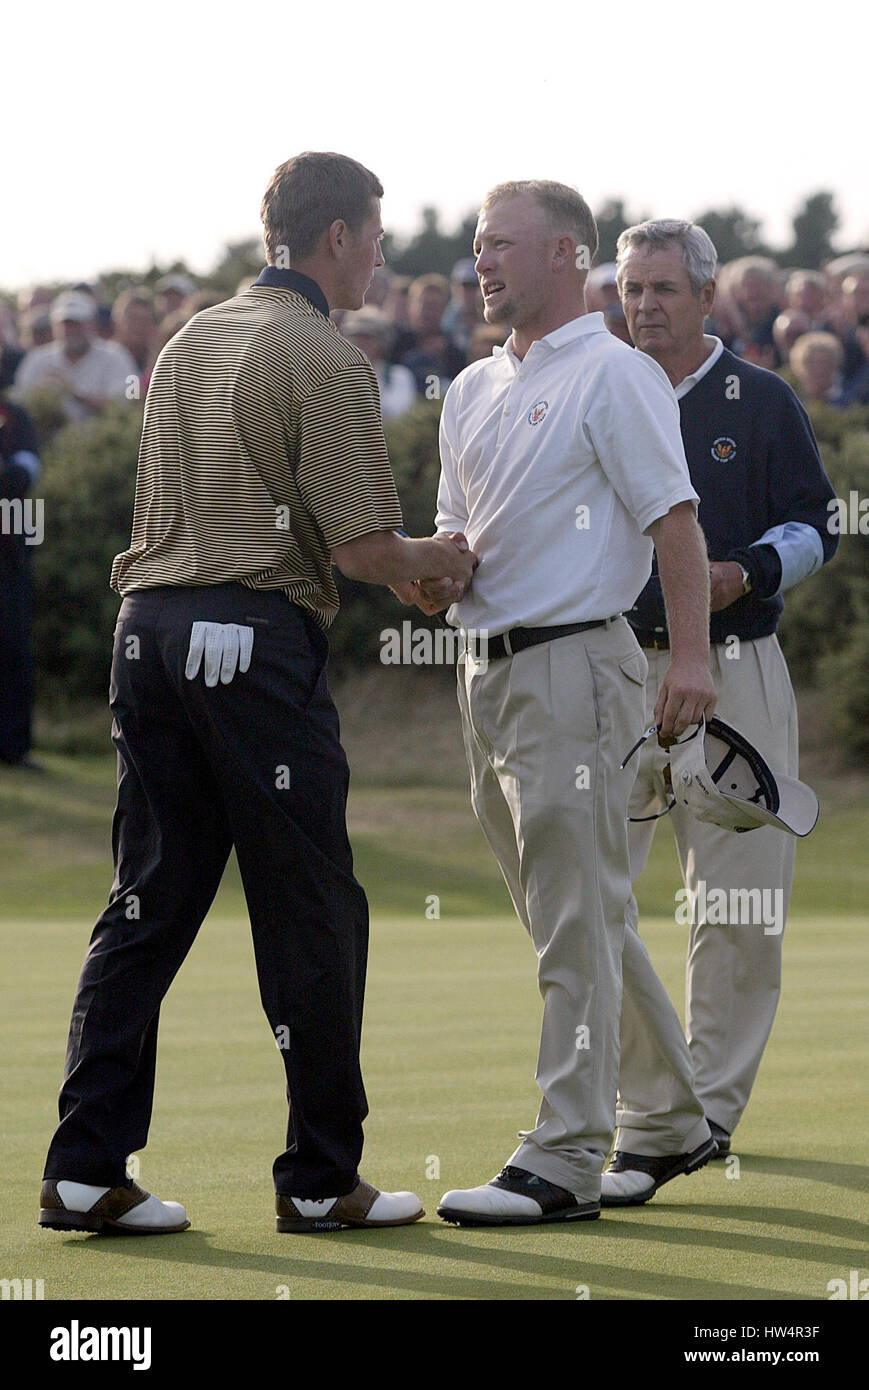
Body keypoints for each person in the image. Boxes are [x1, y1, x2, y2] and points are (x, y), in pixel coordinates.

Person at [39, 150, 476, 1238]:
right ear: (336, 238)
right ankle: (322, 1179)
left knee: (147, 903)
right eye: (374, 237)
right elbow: (368, 545)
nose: (380, 255)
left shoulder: (192, 331)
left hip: (144, 638)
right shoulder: (322, 350)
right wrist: (448, 558)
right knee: (312, 909)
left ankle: (84, 1169)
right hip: (249, 644)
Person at [397, 180, 717, 1227]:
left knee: (573, 917)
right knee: (570, 911)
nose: (480, 263)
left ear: (564, 256)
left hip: (577, 663)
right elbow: (457, 532)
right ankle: (670, 1117)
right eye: (477, 246)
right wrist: (426, 569)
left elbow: (673, 524)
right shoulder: (469, 388)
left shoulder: (617, 374)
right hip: (483, 672)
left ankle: (565, 1153)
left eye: (500, 244)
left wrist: (691, 663)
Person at [604, 219, 837, 1198]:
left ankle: (705, 1115)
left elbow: (815, 524)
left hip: (736, 669)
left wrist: (747, 569)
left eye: (664, 287)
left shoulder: (761, 397)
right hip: (612, 670)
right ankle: (631, 1107)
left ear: (706, 297)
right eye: (632, 287)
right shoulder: (595, 389)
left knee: (735, 903)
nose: (645, 303)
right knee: (587, 892)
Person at [14, 291, 137, 422]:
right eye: (66, 324)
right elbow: (19, 402)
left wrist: (75, 392)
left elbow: (128, 402)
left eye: (77, 323)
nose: (71, 330)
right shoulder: (36, 359)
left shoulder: (116, 355)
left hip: (106, 440)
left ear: (92, 323)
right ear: (55, 326)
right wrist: (41, 395)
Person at [0, 392, 41, 769]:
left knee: (12, 647)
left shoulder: (14, 415)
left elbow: (22, 476)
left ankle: (14, 747)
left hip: (8, 556)